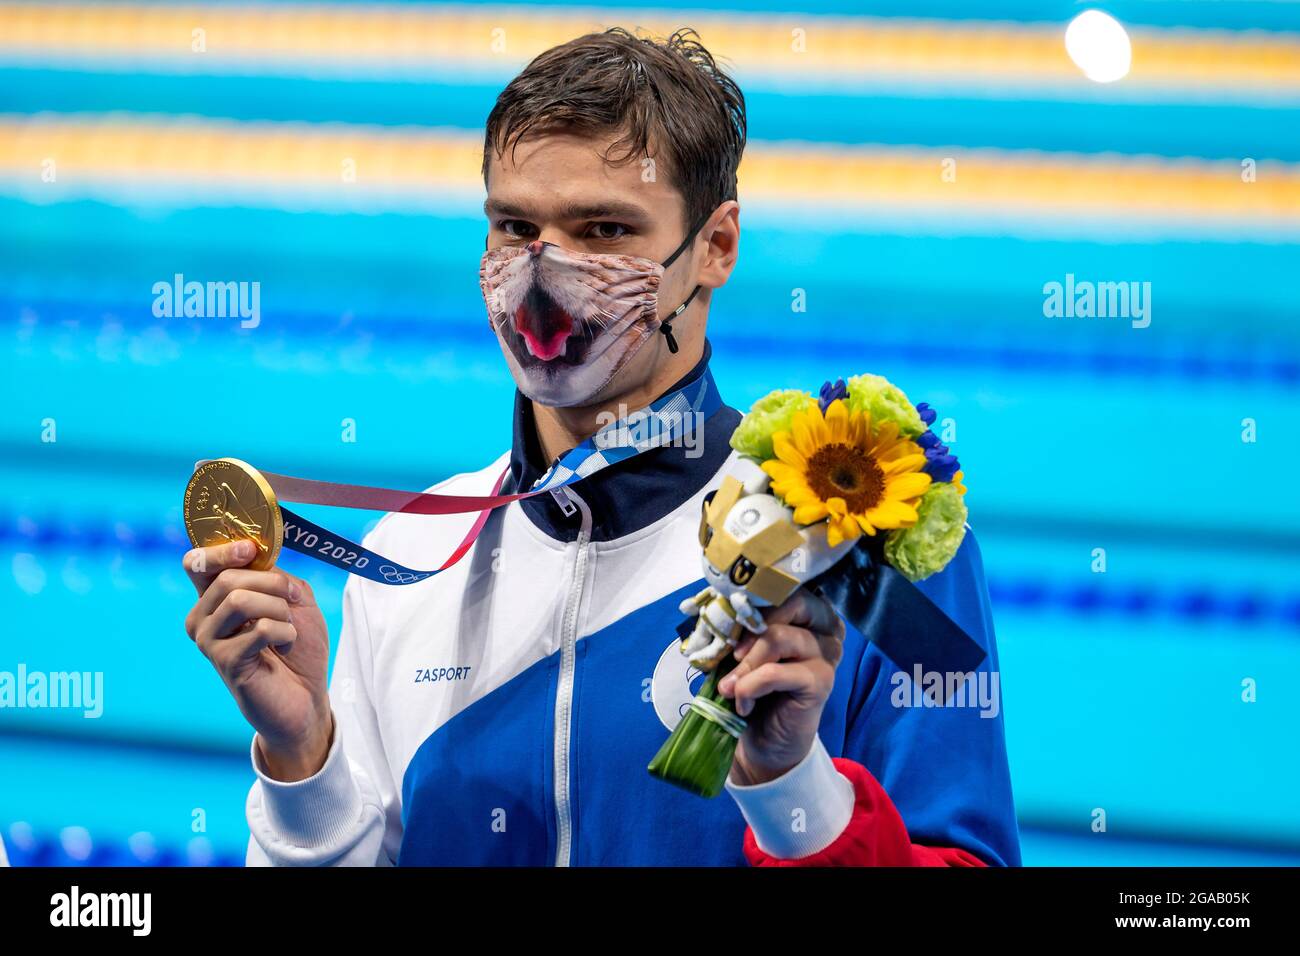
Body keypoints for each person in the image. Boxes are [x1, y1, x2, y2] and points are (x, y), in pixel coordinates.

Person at [182, 27, 1019, 867]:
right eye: (516, 227)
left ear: (716, 247)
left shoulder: (864, 549)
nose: (544, 272)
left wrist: (791, 785)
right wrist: (302, 764)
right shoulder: (409, 555)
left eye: (605, 230)